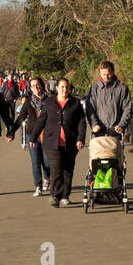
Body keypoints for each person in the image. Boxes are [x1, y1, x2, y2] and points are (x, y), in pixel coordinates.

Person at [38, 77, 86, 207]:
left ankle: (65, 196)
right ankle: (55, 195)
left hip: (71, 142)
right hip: (52, 142)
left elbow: (82, 122)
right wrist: (33, 137)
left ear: (70, 89)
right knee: (57, 167)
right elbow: (42, 120)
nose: (65, 89)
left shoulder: (75, 103)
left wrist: (80, 138)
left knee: (68, 169)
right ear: (57, 88)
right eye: (62, 87)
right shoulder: (49, 102)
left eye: (67, 87)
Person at [8, 76, 52, 196]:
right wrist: (11, 132)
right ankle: (38, 186)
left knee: (47, 162)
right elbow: (20, 118)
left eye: (37, 84)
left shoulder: (49, 101)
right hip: (31, 136)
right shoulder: (28, 102)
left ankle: (47, 178)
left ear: (42, 85)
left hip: (46, 135)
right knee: (35, 161)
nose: (36, 87)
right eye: (33, 86)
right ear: (30, 88)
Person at [84, 61, 133, 142]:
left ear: (113, 72)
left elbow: (128, 109)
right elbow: (90, 108)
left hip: (116, 131)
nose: (106, 77)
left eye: (108, 74)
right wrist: (94, 124)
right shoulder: (94, 88)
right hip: (99, 131)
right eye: (103, 74)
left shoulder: (122, 88)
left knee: (115, 154)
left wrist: (121, 125)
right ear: (100, 73)